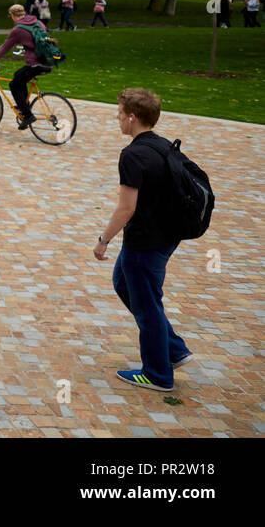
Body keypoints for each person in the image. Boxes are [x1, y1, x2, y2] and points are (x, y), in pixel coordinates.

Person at [93, 88, 192, 392]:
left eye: (120, 113)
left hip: (146, 241)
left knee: (147, 305)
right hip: (166, 236)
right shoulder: (163, 145)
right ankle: (173, 348)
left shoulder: (133, 155)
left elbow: (127, 207)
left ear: (132, 117)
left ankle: (158, 374)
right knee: (123, 283)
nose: (117, 118)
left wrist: (104, 239)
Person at [0, 3, 49, 129]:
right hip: (48, 61)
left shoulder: (18, 29)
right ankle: (23, 106)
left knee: (13, 84)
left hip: (35, 64)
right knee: (18, 76)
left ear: (13, 15)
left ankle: (27, 115)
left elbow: (5, 47)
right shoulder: (38, 22)